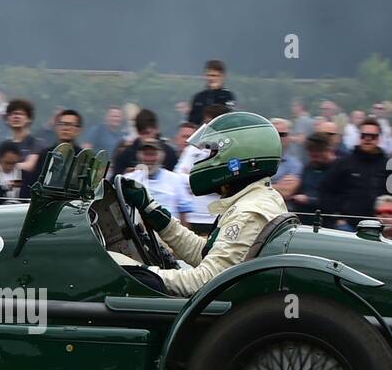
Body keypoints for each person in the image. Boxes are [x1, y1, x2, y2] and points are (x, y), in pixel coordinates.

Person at [117, 112, 286, 297]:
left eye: (213, 153)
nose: (205, 161)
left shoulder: (249, 213)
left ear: (237, 158)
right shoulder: (258, 198)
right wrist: (155, 213)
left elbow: (204, 281)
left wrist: (136, 273)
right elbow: (206, 255)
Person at [319, 117, 391, 231]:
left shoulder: (389, 166)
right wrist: (335, 216)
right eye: (364, 135)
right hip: (347, 226)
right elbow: (325, 190)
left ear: (379, 138)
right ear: (359, 136)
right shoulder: (343, 163)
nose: (368, 139)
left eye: (373, 136)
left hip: (379, 227)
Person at [123, 137, 195, 223]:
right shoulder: (128, 180)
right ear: (139, 156)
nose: (149, 159)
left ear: (162, 156)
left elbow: (184, 216)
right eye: (146, 154)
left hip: (170, 233)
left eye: (152, 154)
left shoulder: (175, 180)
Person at [188, 59, 236, 125]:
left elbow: (225, 118)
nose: (210, 78)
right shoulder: (199, 97)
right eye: (208, 75)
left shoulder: (227, 95)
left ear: (222, 76)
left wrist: (213, 92)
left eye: (214, 75)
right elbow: (192, 120)